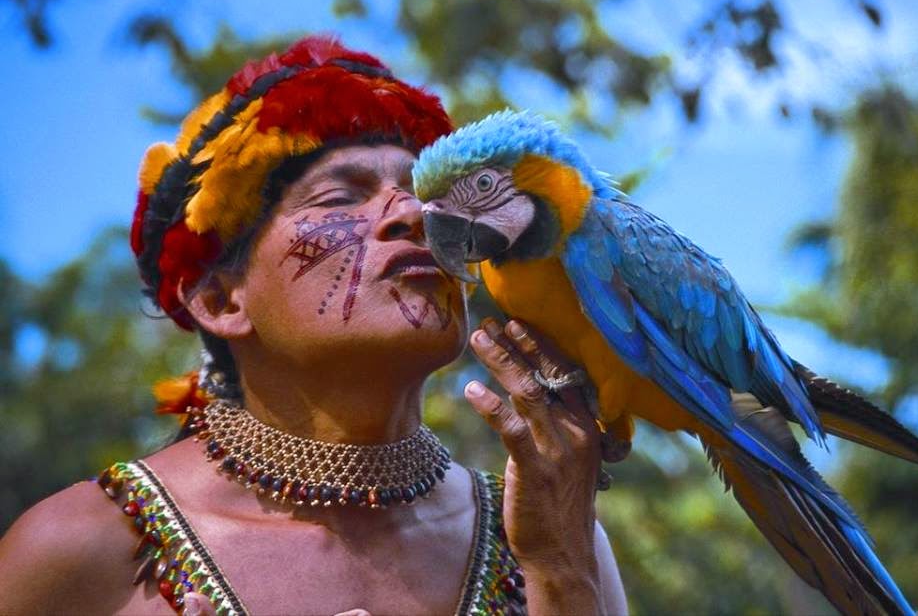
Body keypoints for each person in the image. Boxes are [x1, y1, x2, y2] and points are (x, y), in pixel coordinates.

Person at [0, 36, 627, 615]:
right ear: (222, 302)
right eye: (340, 197)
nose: (410, 212)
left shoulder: (554, 534)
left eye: (419, 193)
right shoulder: (79, 550)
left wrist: (559, 572)